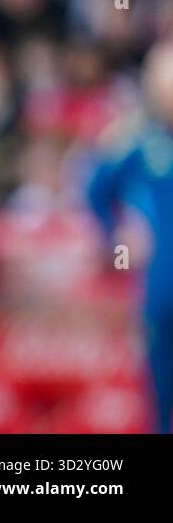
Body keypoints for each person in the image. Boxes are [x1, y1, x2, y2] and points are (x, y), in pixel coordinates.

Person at [86, 38, 173, 433]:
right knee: (157, 396)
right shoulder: (138, 143)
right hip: (159, 292)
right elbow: (93, 191)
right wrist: (116, 237)